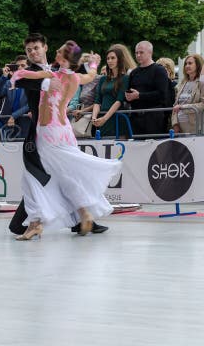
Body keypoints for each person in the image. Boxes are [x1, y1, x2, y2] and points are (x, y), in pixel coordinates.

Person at [12, 41, 122, 240]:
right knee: (65, 174)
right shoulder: (75, 77)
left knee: (33, 177)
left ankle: (37, 223)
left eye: (59, 50)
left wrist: (19, 75)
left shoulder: (52, 75)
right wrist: (93, 64)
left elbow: (20, 77)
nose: (56, 51)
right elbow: (91, 75)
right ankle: (83, 213)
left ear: (62, 57)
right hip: (65, 130)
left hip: (48, 131)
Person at [125, 41, 170, 137]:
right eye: (136, 53)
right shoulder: (134, 72)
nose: (138, 55)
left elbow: (162, 94)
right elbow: (130, 92)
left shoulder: (159, 70)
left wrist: (139, 96)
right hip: (135, 116)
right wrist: (128, 97)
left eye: (141, 52)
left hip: (153, 117)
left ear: (150, 53)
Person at [91, 46, 131, 138]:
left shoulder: (125, 78)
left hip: (116, 118)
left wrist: (105, 118)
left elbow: (119, 101)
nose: (109, 61)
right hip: (102, 119)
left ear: (119, 60)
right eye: (108, 58)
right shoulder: (102, 79)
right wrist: (94, 118)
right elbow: (97, 101)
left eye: (113, 58)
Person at [172, 54, 204, 135]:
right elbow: (176, 105)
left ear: (198, 65)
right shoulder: (182, 83)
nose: (187, 66)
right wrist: (175, 123)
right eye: (186, 64)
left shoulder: (203, 82)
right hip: (179, 126)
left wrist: (183, 107)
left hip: (195, 125)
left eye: (190, 63)